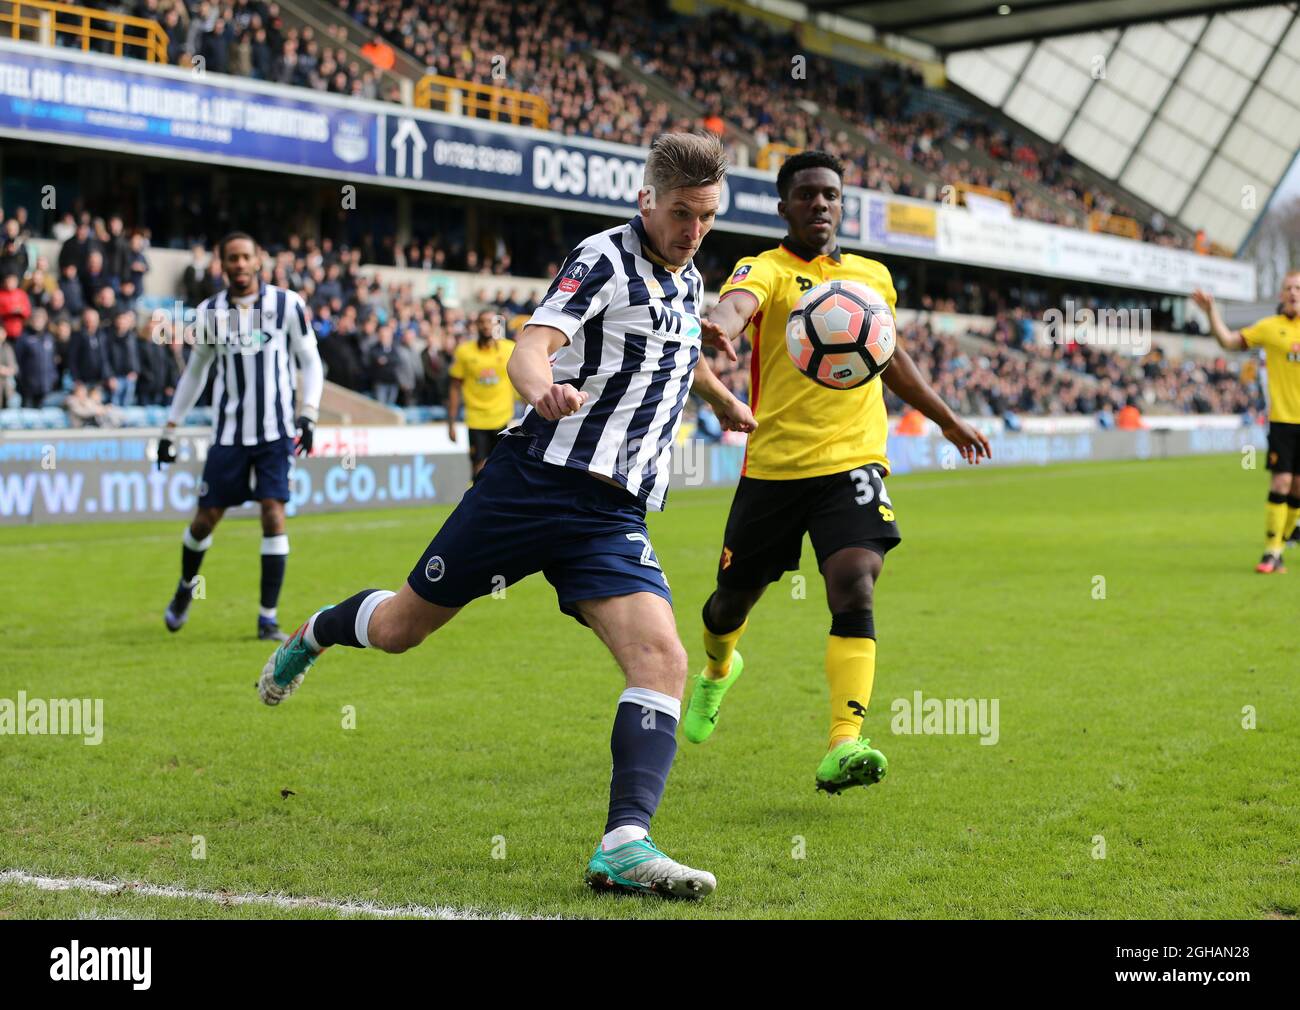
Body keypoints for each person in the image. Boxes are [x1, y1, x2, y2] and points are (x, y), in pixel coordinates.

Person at [258, 132, 755, 899]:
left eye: (708, 216)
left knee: (663, 660)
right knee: (399, 631)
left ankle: (625, 842)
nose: (694, 231)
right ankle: (318, 630)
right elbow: (533, 346)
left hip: (610, 512)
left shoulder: (686, 279)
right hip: (531, 486)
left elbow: (678, 352)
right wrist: (538, 390)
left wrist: (725, 405)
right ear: (645, 201)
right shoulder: (603, 259)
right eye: (682, 213)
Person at [684, 150, 991, 794]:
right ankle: (717, 672)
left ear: (841, 204)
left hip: (853, 460)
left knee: (855, 580)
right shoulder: (763, 269)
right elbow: (737, 305)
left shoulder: (872, 277)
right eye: (806, 195)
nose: (819, 205)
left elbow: (891, 357)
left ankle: (843, 743)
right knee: (728, 604)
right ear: (784, 207)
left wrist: (946, 419)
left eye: (830, 195)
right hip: (772, 467)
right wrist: (721, 325)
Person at [156, 232, 324, 640]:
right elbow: (196, 374)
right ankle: (184, 588)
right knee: (204, 520)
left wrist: (308, 414)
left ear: (258, 259)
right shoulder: (210, 313)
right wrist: (170, 428)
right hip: (229, 434)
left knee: (273, 512)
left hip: (275, 433)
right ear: (222, 263)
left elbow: (310, 362)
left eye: (246, 256)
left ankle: (267, 618)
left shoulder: (287, 304)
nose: (240, 264)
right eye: (232, 258)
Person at [1194, 273, 1300, 573]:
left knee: (1297, 489)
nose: (1293, 293)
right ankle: (1271, 551)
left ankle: (1282, 542)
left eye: (1298, 289)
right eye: (1288, 288)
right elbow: (1228, 342)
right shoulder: (1270, 328)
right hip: (1282, 421)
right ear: (1281, 295)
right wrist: (1211, 312)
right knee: (1281, 481)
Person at [447, 310, 516, 481]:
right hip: (477, 419)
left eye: (490, 321)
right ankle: (476, 504)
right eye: (482, 321)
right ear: (476, 325)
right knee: (478, 469)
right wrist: (451, 422)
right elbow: (454, 388)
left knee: (502, 468)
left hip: (503, 418)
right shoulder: (464, 352)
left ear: (497, 325)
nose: (486, 325)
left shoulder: (509, 349)